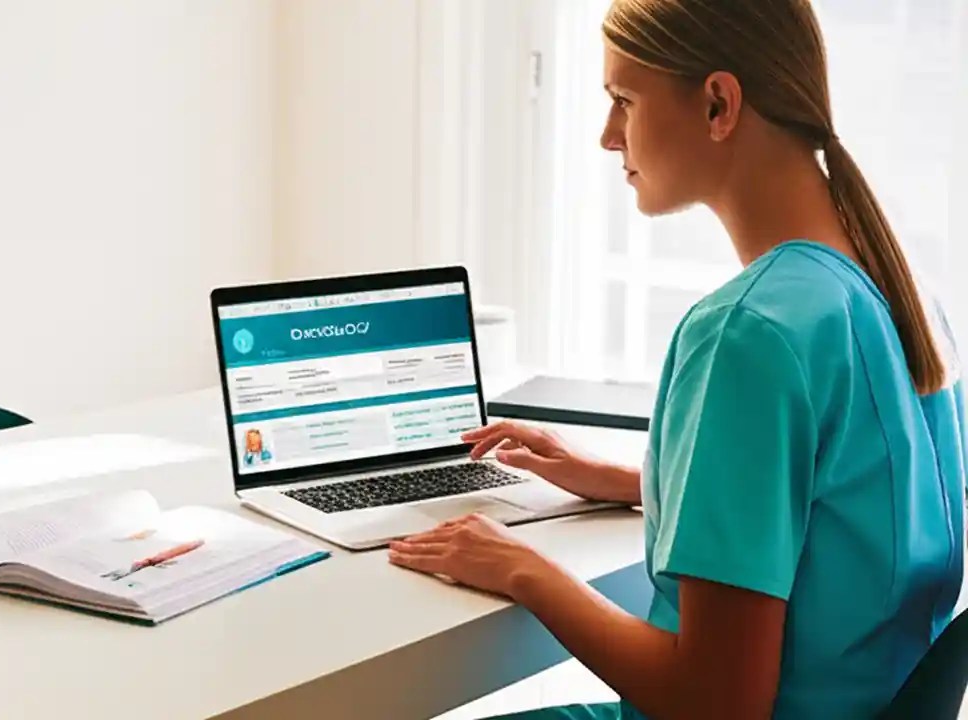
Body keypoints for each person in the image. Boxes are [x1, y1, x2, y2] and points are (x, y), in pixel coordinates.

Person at [388, 1, 966, 718]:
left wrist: (524, 568)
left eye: (623, 101)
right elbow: (842, 514)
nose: (608, 136)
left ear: (719, 103)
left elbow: (715, 704)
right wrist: (641, 482)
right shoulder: (899, 291)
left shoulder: (749, 333)